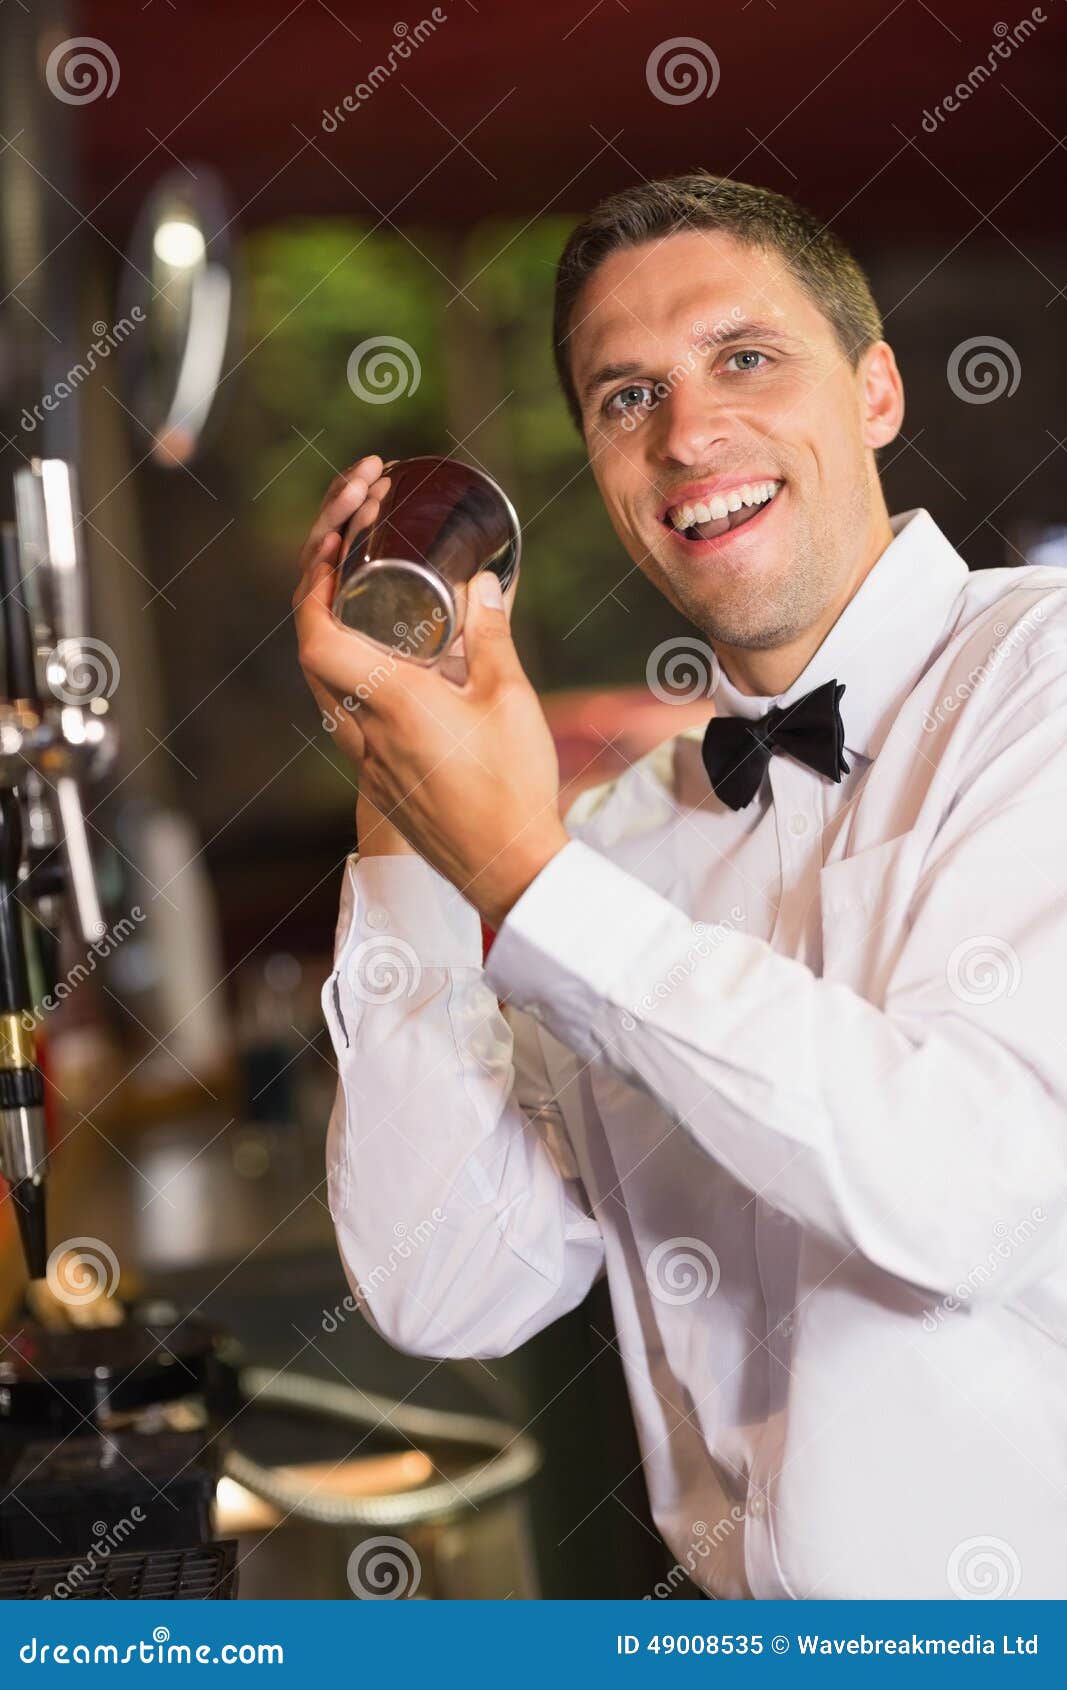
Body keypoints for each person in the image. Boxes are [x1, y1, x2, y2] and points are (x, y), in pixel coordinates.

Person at [293, 172, 1067, 1600]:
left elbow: (965, 1193)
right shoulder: (609, 850)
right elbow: (448, 1284)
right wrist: (405, 798)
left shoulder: (1043, 679)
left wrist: (526, 876)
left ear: (879, 388)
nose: (689, 434)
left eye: (745, 359)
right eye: (623, 397)